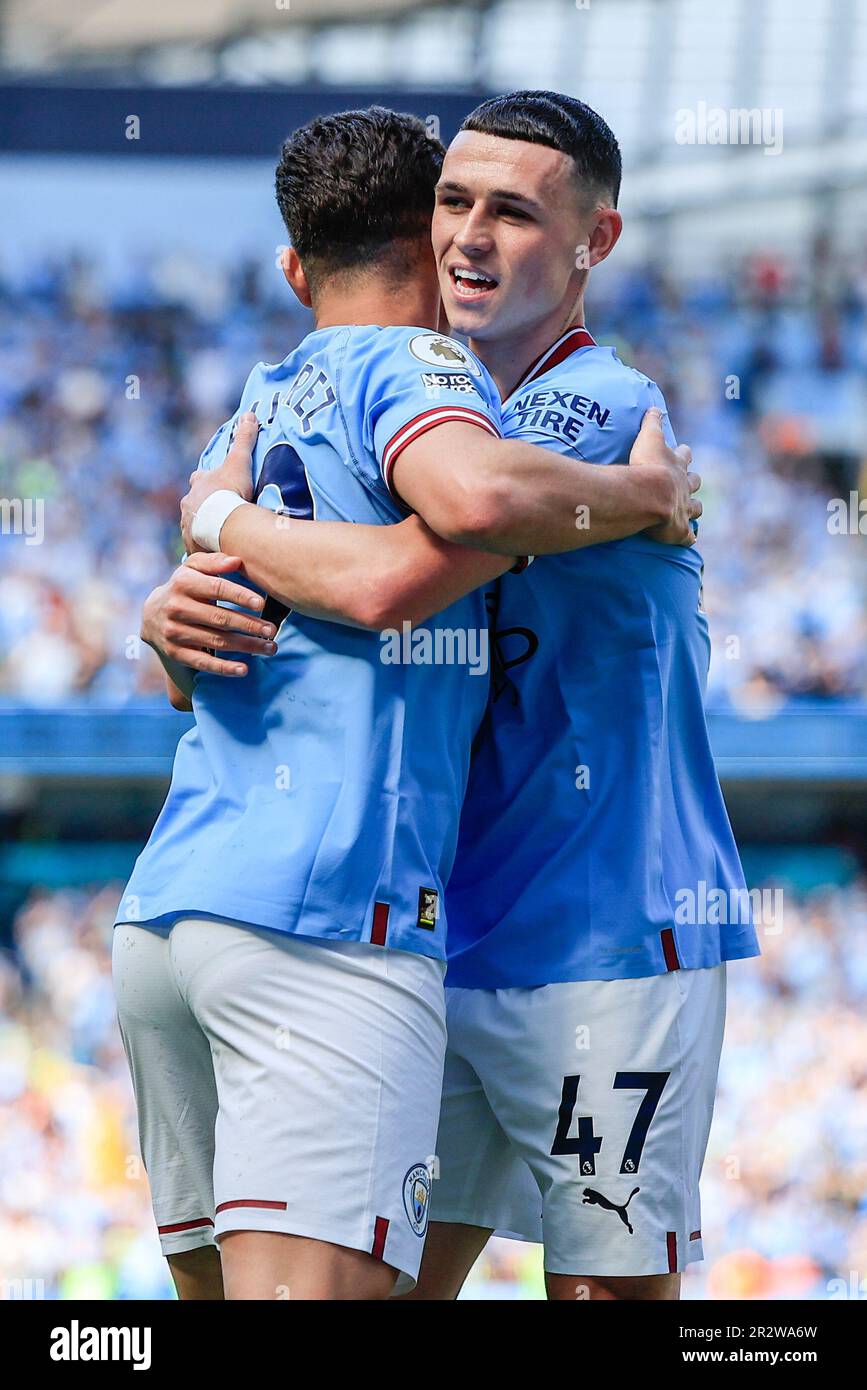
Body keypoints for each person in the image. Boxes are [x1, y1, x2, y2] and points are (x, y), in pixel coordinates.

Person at [117, 106, 697, 1302]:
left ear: (596, 240)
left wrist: (219, 522)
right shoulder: (402, 402)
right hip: (406, 927)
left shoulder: (593, 408)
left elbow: (409, 560)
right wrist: (177, 599)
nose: (471, 237)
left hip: (596, 937)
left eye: (512, 210)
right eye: (454, 205)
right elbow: (364, 583)